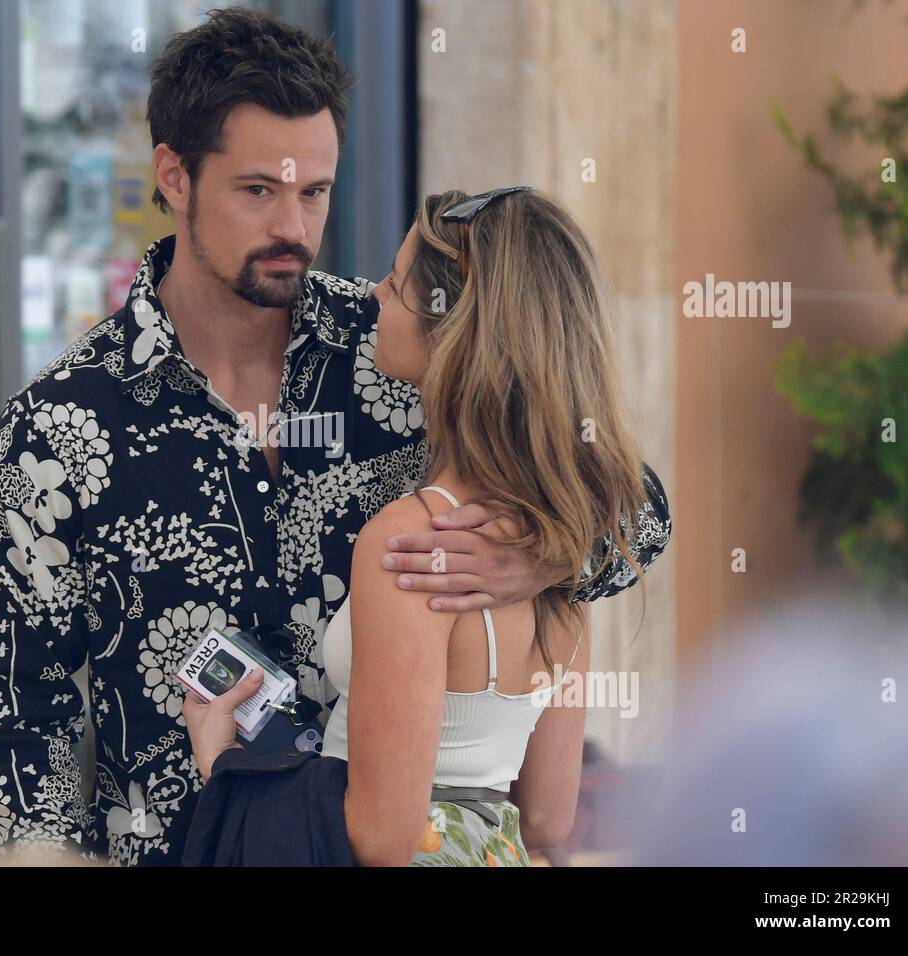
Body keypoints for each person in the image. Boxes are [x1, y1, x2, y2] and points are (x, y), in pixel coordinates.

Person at [0, 7, 670, 867]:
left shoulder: (406, 351)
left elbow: (635, 507)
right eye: (258, 190)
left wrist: (542, 551)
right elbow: (10, 708)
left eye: (315, 191)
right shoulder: (53, 430)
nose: (293, 227)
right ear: (174, 177)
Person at [183, 186, 667, 866]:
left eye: (397, 284)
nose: (375, 296)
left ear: (454, 327)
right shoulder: (564, 545)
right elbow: (552, 822)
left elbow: (379, 838)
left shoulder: (411, 544)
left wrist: (224, 764)